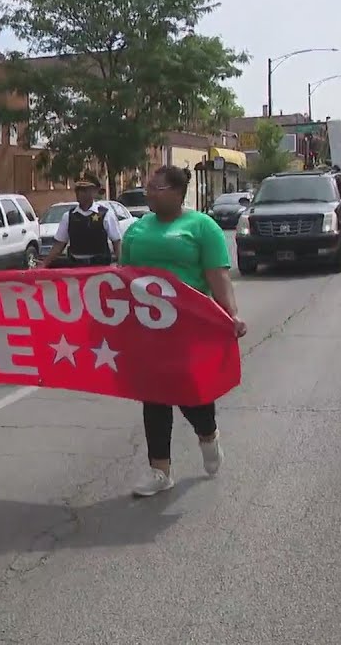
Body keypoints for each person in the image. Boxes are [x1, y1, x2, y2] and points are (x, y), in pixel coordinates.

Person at [119, 165, 248, 497]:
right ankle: (159, 470)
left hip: (189, 325)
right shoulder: (136, 230)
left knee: (190, 390)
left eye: (156, 188)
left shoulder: (201, 226)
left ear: (178, 192)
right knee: (154, 394)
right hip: (147, 326)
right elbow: (123, 277)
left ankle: (208, 434)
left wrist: (230, 315)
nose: (148, 193)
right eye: (147, 187)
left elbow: (218, 275)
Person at [39, 175, 123, 268]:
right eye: (77, 190)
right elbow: (59, 245)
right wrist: (44, 264)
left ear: (94, 191)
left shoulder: (105, 215)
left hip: (99, 268)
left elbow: (116, 242)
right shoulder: (69, 216)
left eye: (84, 190)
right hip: (76, 268)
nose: (79, 193)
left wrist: (121, 264)